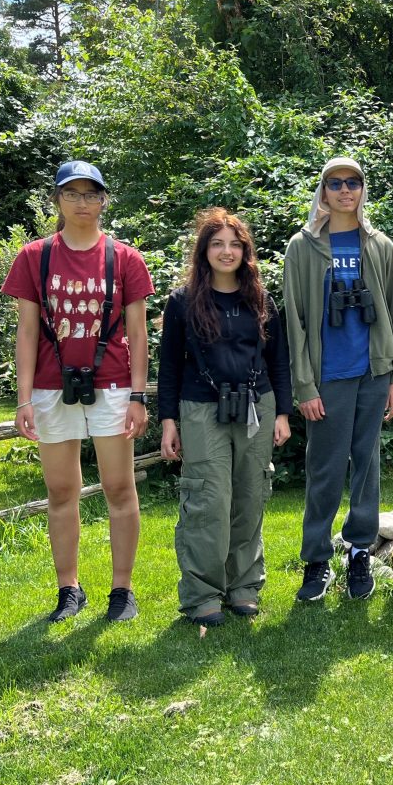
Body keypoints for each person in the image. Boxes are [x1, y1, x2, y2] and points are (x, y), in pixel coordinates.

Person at [1, 161, 154, 623]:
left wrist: (138, 395)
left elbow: (138, 333)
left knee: (118, 487)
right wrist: (23, 397)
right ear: (58, 200)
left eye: (91, 194)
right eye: (73, 194)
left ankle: (121, 590)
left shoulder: (125, 258)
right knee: (61, 490)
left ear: (104, 200)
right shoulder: (35, 256)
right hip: (51, 386)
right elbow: (27, 332)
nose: (82, 203)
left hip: (112, 385)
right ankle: (69, 588)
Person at [158, 208, 293, 627]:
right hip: (201, 409)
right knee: (209, 499)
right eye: (217, 243)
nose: (226, 251)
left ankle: (243, 586)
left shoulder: (260, 299)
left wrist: (283, 413)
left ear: (246, 252)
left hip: (258, 405)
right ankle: (202, 593)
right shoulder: (182, 303)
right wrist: (168, 422)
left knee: (250, 495)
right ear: (204, 251)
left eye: (235, 244)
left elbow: (279, 361)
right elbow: (170, 367)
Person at [284, 157, 393, 602]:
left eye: (353, 183)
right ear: (323, 191)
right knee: (325, 470)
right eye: (335, 183)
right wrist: (303, 386)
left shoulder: (379, 245)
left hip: (372, 373)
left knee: (367, 468)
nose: (344, 191)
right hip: (327, 377)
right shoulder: (303, 246)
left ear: (362, 190)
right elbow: (294, 321)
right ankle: (316, 561)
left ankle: (359, 552)